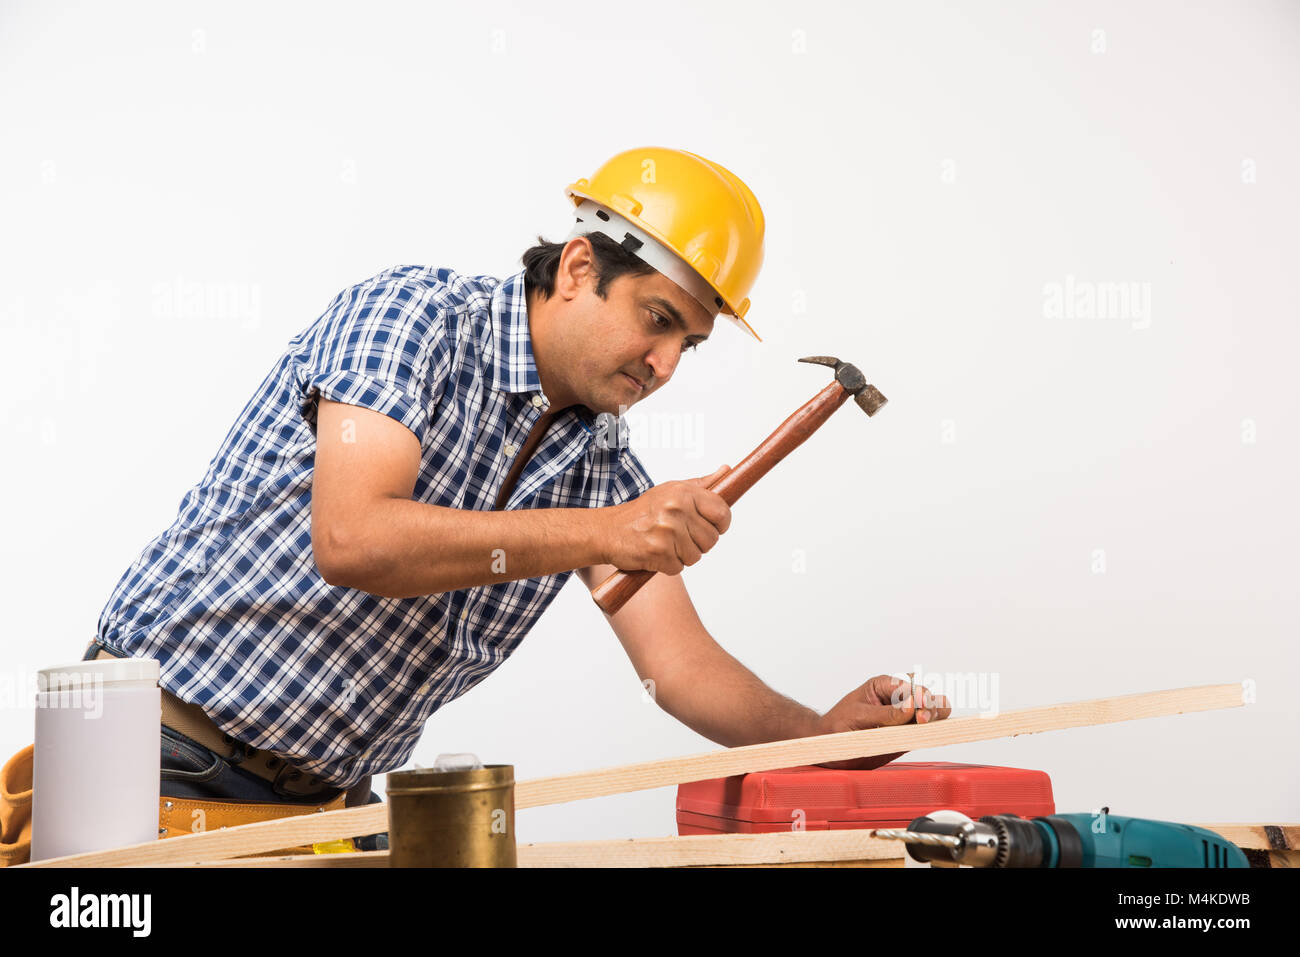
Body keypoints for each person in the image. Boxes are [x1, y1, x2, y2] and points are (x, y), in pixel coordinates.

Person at [80, 147, 949, 854]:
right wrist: (609, 531)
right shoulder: (410, 319)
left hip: (327, 810)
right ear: (579, 266)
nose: (665, 366)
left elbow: (680, 667)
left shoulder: (600, 462)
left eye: (688, 343)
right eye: (655, 319)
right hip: (158, 761)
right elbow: (354, 537)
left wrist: (822, 737)